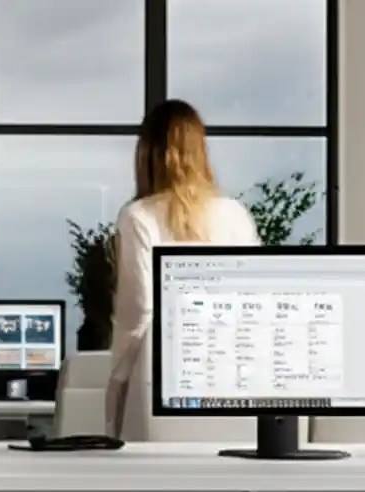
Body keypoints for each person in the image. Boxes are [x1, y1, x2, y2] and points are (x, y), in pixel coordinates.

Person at [105, 99, 261, 439]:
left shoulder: (139, 217)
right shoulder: (235, 214)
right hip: (235, 380)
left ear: (145, 154)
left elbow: (138, 312)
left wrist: (117, 387)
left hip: (163, 384)